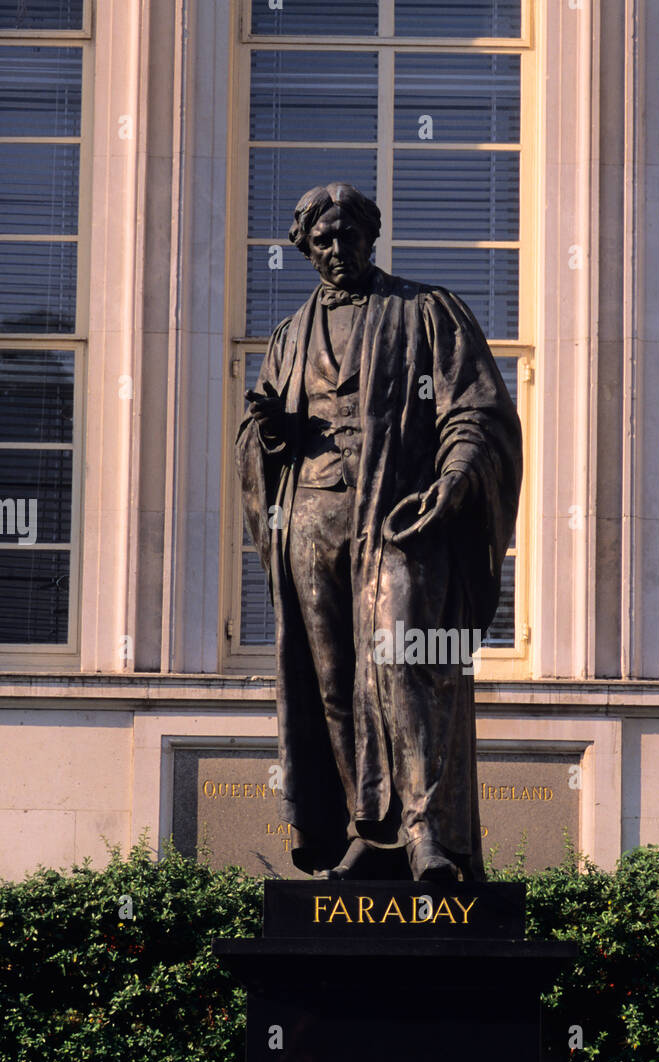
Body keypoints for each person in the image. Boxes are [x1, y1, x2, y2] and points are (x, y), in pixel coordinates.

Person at [236, 182, 522, 881]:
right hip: (311, 520)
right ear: (305, 249)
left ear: (372, 236)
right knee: (333, 681)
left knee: (402, 663)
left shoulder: (428, 311)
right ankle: (371, 833)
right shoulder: (289, 337)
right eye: (323, 240)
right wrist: (267, 437)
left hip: (400, 522)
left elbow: (477, 413)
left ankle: (428, 833)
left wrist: (456, 479)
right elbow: (257, 431)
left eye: (349, 235)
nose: (338, 250)